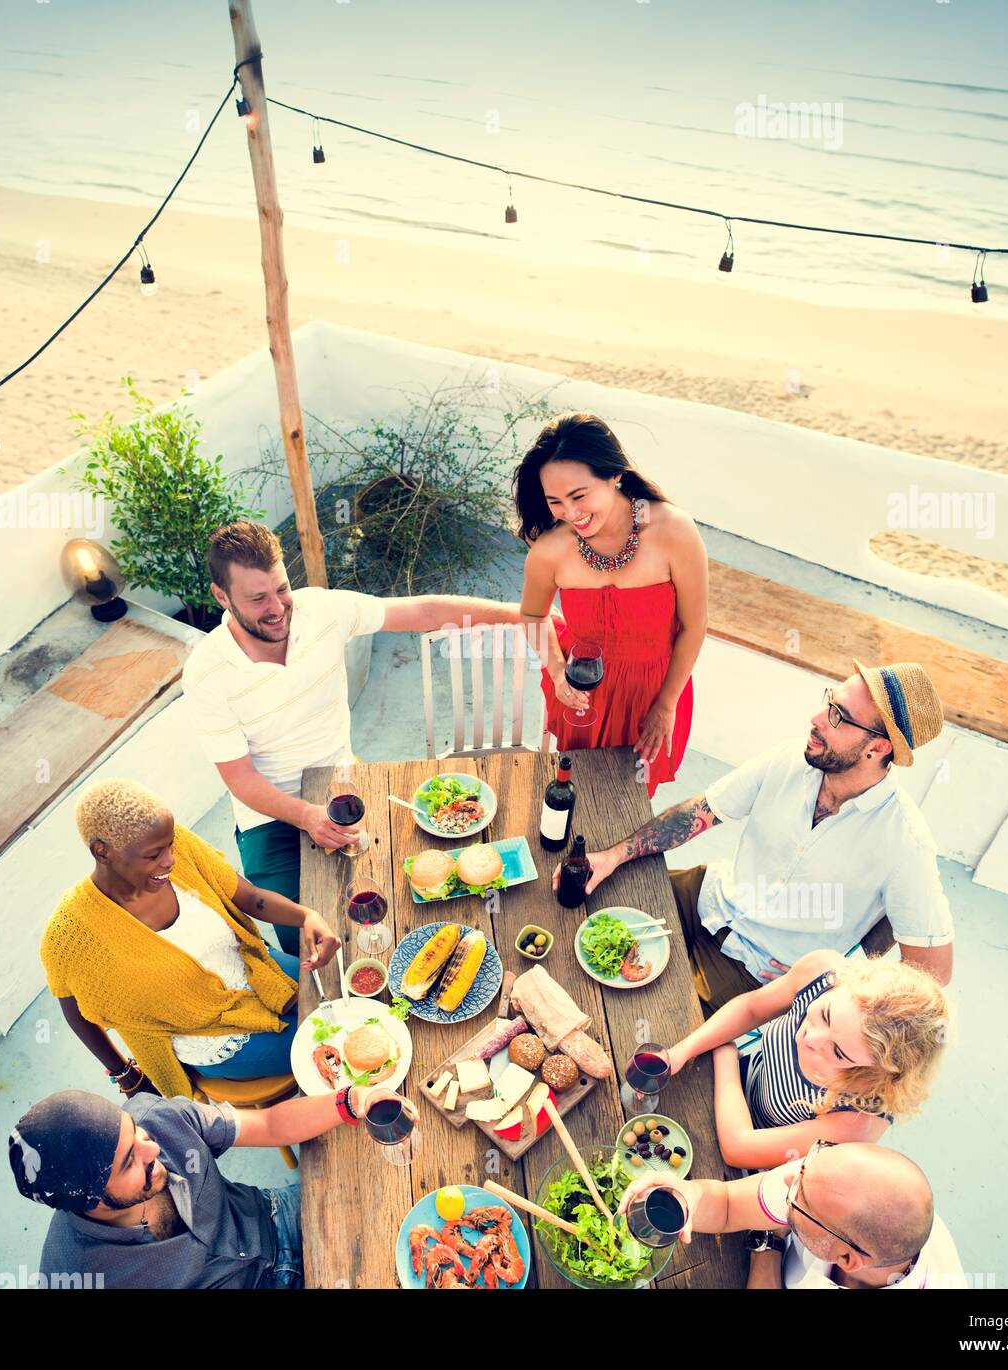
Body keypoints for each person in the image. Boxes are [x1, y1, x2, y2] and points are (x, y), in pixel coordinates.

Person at [182, 520, 527, 954]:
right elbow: (240, 778)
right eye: (257, 599)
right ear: (222, 596)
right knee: (312, 942)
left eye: (282, 589)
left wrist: (524, 615)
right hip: (269, 818)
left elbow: (424, 611)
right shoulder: (205, 674)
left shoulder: (321, 610)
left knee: (399, 897)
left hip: (342, 782)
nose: (277, 608)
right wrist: (306, 815)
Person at [556, 660, 954, 1006]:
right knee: (578, 915)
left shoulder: (905, 843)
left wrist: (845, 979)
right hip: (708, 895)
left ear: (878, 748)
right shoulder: (790, 758)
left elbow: (931, 973)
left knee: (636, 1018)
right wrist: (612, 856)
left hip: (755, 972)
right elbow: (701, 812)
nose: (816, 720)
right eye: (828, 700)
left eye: (838, 716)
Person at [41, 779, 340, 1101]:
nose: (170, 859)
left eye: (169, 845)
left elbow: (250, 898)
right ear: (102, 852)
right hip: (211, 1033)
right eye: (154, 855)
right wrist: (124, 1074)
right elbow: (75, 1012)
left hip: (255, 969)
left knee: (349, 997)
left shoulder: (174, 844)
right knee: (338, 1045)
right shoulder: (72, 934)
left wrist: (306, 916)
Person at [8, 1082, 414, 1289]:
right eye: (130, 1161)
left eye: (136, 1135)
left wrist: (348, 1101)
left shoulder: (157, 1117)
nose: (151, 1149)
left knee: (408, 1214)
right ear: (90, 1199)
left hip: (275, 1219)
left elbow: (269, 1125)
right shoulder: (76, 1273)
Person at [513, 412, 707, 797]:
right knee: (577, 793)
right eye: (555, 501)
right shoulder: (550, 551)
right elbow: (532, 615)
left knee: (630, 801)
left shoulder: (672, 530)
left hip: (653, 693)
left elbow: (694, 625)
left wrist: (665, 705)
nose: (571, 513)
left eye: (579, 496)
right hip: (583, 692)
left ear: (615, 474)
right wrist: (555, 672)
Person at [665, 948, 949, 1168]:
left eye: (839, 1052)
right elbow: (752, 1008)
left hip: (749, 1157)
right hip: (727, 1083)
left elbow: (739, 1148)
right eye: (825, 1014)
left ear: (876, 1072)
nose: (810, 1039)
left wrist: (726, 1055)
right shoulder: (823, 973)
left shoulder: (861, 1118)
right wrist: (681, 1051)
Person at [618, 1140, 967, 1289]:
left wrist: (767, 1248)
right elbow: (725, 1204)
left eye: (799, 1200)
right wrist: (688, 1194)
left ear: (847, 1257)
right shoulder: (823, 1181)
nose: (786, 1177)